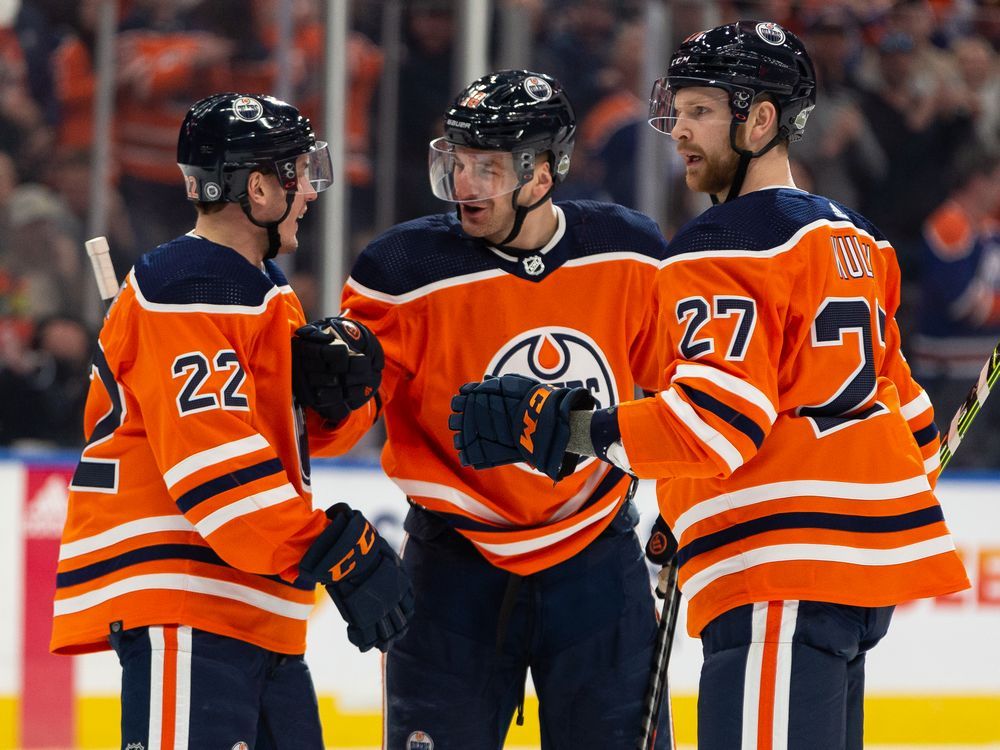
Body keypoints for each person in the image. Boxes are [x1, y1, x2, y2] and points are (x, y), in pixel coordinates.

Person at [449, 23, 971, 750]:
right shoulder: (860, 239)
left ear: (760, 120)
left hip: (776, 573)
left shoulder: (724, 241)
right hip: (850, 585)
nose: (680, 132)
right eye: (679, 111)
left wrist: (570, 428)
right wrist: (686, 516)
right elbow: (906, 412)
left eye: (700, 112)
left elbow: (713, 424)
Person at [315, 70, 671, 749]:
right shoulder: (399, 269)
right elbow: (340, 432)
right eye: (457, 161)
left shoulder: (631, 253)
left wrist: (689, 507)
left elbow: (684, 396)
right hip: (453, 572)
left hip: (599, 567)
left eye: (489, 167)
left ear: (542, 174)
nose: (466, 185)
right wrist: (326, 395)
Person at [50, 92, 413, 749]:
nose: (308, 192)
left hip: (245, 606)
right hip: (187, 597)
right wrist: (325, 551)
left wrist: (340, 398)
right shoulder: (189, 286)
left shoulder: (255, 285)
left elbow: (281, 442)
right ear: (256, 187)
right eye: (297, 174)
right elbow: (212, 468)